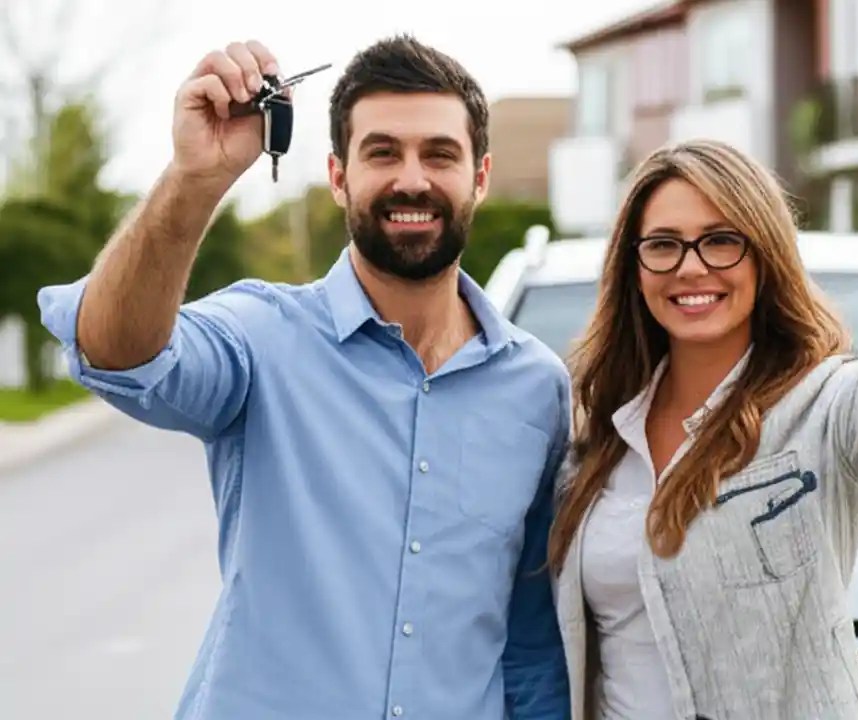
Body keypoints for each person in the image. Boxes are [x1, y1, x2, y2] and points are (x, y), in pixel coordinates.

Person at [36, 35, 569, 720]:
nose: (412, 179)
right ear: (339, 174)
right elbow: (117, 352)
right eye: (382, 152)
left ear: (481, 176)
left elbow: (527, 642)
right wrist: (194, 180)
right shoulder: (262, 337)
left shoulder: (536, 388)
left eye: (439, 154)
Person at [546, 69, 858, 720]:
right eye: (664, 246)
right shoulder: (594, 433)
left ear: (764, 256)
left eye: (722, 241)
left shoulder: (824, 413)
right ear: (632, 267)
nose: (692, 267)